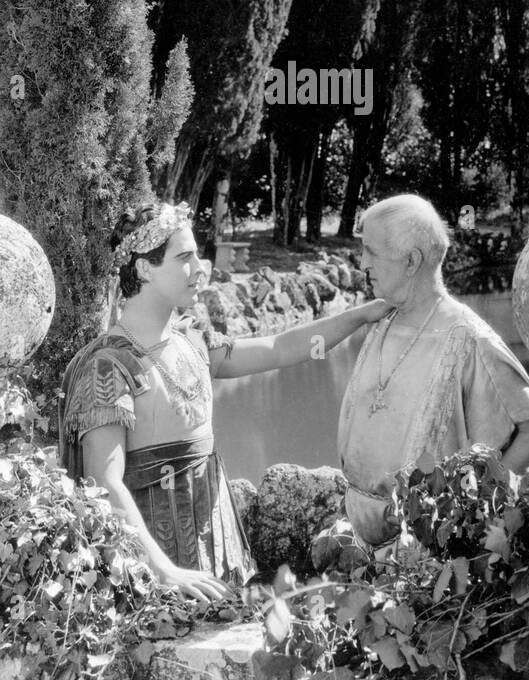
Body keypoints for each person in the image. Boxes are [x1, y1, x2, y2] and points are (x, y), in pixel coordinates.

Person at [58, 200, 390, 603]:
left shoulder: (193, 341)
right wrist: (164, 572)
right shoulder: (107, 368)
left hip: (221, 559)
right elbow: (104, 484)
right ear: (144, 268)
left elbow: (279, 349)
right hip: (153, 575)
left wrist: (361, 316)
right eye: (185, 257)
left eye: (197, 254)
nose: (201, 268)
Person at [335, 194, 529, 550]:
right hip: (361, 544)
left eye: (371, 251)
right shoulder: (382, 319)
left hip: (424, 559)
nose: (362, 262)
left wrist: (467, 514)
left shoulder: (470, 339)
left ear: (411, 261)